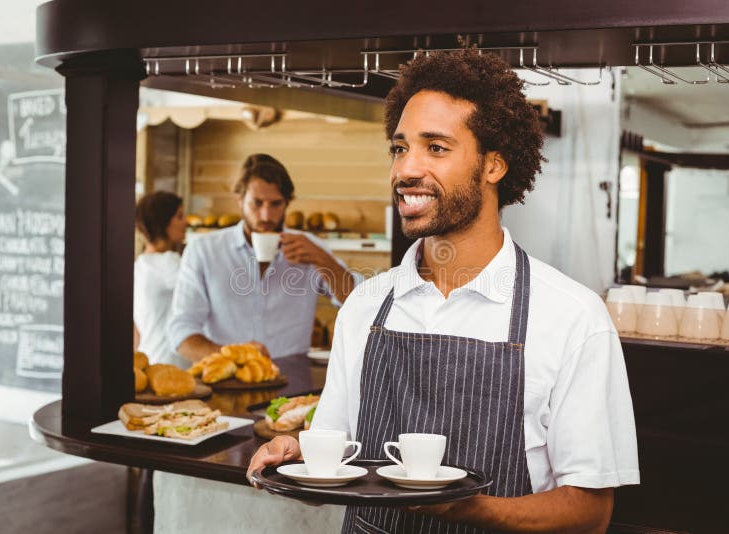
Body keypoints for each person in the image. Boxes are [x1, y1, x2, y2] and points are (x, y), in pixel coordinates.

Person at [248, 48, 639, 533]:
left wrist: (473, 510)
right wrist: (297, 456)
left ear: (494, 165)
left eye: (435, 147)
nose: (406, 170)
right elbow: (332, 453)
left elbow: (589, 513)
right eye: (399, 147)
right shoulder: (366, 306)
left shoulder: (572, 317)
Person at [166, 154, 361, 362]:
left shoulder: (309, 247)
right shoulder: (204, 250)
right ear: (240, 200)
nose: (266, 216)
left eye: (276, 204)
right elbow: (181, 330)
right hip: (226, 381)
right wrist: (235, 357)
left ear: (287, 203)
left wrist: (323, 260)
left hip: (293, 384)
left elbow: (357, 303)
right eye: (257, 203)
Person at [133, 191, 187, 367]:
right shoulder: (169, 262)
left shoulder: (140, 264)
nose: (185, 222)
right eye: (179, 216)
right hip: (176, 364)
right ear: (164, 222)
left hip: (151, 359)